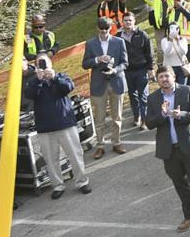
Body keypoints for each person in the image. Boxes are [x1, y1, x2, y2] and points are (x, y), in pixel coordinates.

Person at [143, 66, 190, 235]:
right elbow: (148, 123)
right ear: (157, 80)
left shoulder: (187, 91)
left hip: (189, 146)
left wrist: (180, 115)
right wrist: (162, 116)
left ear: (174, 76)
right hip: (168, 150)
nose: (164, 79)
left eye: (167, 76)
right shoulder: (153, 98)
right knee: (180, 185)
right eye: (160, 77)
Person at [24, 56, 90, 200]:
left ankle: (82, 181)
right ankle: (58, 185)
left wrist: (54, 78)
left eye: (45, 63)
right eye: (39, 64)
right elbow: (28, 95)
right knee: (50, 159)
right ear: (36, 67)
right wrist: (37, 80)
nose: (43, 66)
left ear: (51, 64)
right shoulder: (34, 82)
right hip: (45, 127)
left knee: (75, 154)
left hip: (65, 123)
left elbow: (69, 87)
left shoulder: (60, 76)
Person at [81, 17, 128, 159]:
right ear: (98, 29)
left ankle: (116, 142)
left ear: (110, 29)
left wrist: (115, 70)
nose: (104, 33)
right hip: (98, 84)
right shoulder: (90, 44)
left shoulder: (119, 42)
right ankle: (100, 145)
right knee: (99, 118)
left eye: (107, 30)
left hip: (116, 81)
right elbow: (85, 64)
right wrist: (97, 59)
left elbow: (125, 63)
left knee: (117, 116)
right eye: (102, 31)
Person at [120, 12, 155, 127]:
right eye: (125, 20)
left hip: (141, 70)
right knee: (132, 96)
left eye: (130, 20)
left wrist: (150, 69)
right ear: (122, 22)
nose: (128, 22)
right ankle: (137, 116)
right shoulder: (118, 37)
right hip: (126, 71)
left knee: (143, 96)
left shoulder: (142, 35)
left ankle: (145, 120)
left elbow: (149, 53)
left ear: (134, 21)